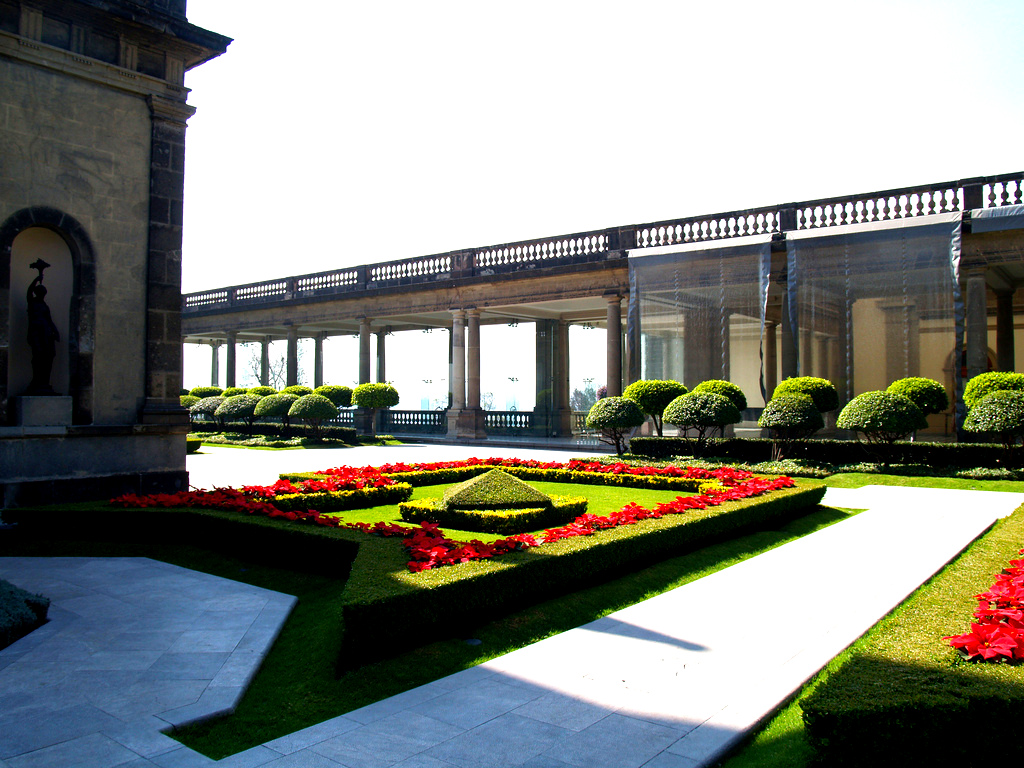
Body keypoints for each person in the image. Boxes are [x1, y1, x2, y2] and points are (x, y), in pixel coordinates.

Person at [26, 274, 60, 394]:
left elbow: (49, 320)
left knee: (49, 356)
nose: (43, 294)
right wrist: (37, 278)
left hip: (46, 333)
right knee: (38, 357)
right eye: (41, 292)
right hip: (37, 332)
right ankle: (37, 381)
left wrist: (55, 331)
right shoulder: (32, 302)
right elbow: (29, 291)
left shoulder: (45, 305)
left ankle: (45, 382)